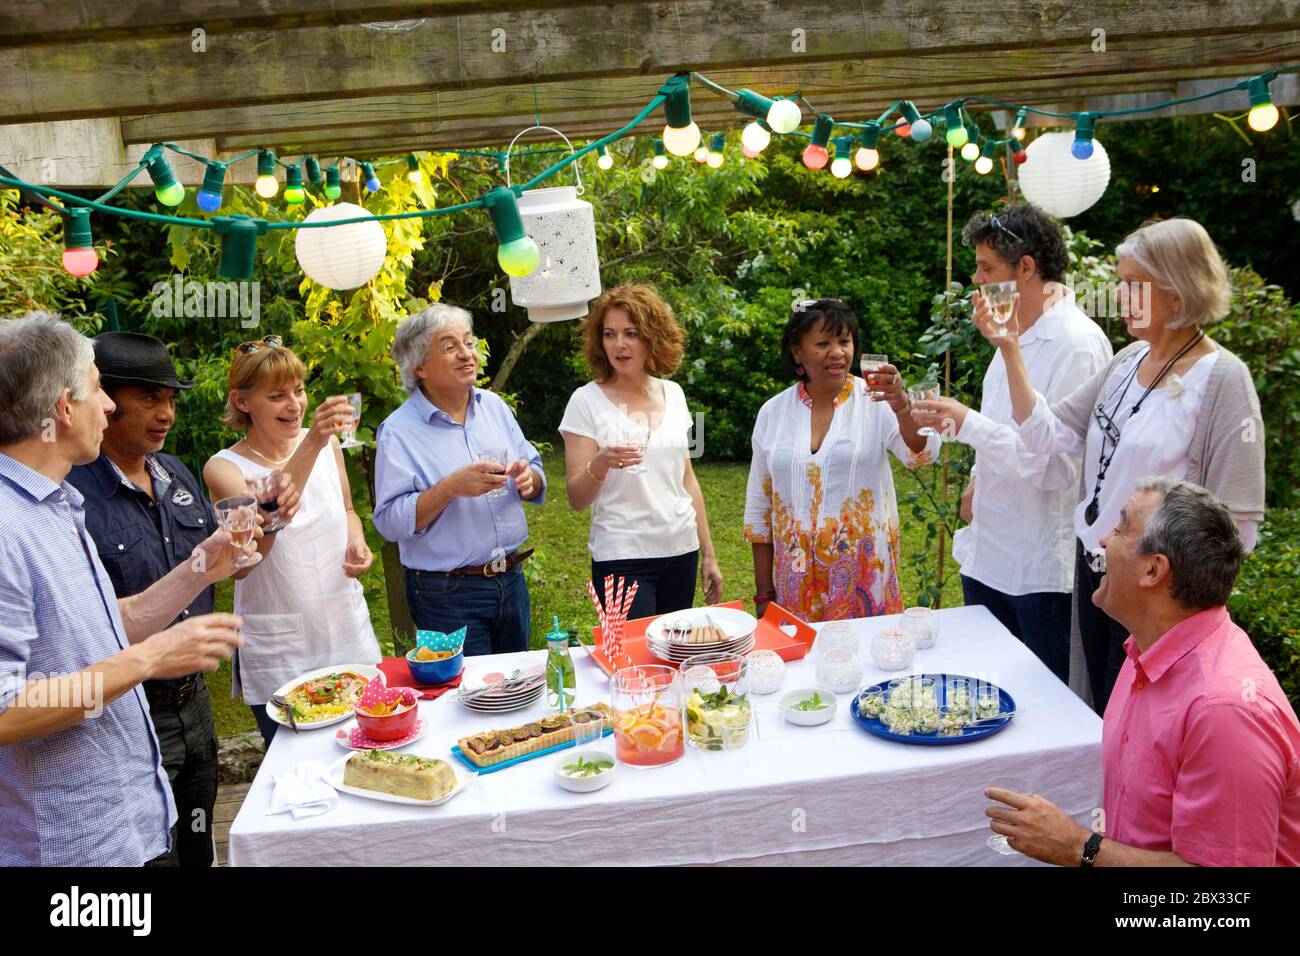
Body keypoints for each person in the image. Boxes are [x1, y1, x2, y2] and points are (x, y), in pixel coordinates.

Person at [917, 217, 1264, 713]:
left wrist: (1163, 578)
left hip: (1160, 594)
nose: (1118, 299)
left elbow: (1239, 525)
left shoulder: (1224, 379)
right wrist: (1010, 347)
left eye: (1130, 286)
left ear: (1176, 291)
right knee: (1098, 713)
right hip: (1100, 577)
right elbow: (1045, 434)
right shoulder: (1127, 362)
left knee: (1144, 718)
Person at [0, 313, 250, 866]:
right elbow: (5, 711)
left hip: (132, 821)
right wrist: (147, 660)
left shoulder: (54, 503)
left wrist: (201, 568)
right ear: (64, 407)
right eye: (98, 390)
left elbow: (106, 625)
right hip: (72, 850)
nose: (109, 406)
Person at [66, 332, 295, 867]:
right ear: (105, 399)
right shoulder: (72, 495)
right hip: (124, 708)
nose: (165, 412)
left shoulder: (176, 476)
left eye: (170, 398)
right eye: (148, 398)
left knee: (197, 840)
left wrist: (257, 525)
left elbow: (222, 558)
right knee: (148, 854)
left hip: (193, 703)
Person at [986, 478, 1299, 867]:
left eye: (1120, 528)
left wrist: (1078, 848)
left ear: (1153, 570)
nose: (1102, 540)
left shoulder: (1223, 712)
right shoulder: (1146, 650)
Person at [910, 204, 1112, 682]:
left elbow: (1059, 468)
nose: (977, 280)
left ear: (1026, 268)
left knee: (1045, 710)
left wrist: (968, 423)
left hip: (1039, 570)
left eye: (986, 268)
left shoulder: (1078, 345)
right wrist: (975, 481)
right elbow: (1003, 425)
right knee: (986, 693)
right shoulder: (1009, 335)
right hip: (988, 555)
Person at [204, 335, 379, 747]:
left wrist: (356, 542)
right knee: (294, 771)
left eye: (298, 390)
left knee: (366, 752)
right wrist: (313, 442)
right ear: (242, 401)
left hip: (345, 628)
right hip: (281, 649)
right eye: (278, 395)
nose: (295, 405)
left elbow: (348, 509)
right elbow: (258, 539)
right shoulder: (225, 468)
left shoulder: (328, 444)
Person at [744, 298, 939, 622]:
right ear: (797, 353)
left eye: (844, 341)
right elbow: (759, 511)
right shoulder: (772, 413)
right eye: (823, 343)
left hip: (864, 584)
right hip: (794, 588)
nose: (837, 352)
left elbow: (921, 454)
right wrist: (764, 594)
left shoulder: (876, 402)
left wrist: (902, 405)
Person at [373, 304, 546, 656]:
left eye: (468, 342)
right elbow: (389, 522)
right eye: (450, 346)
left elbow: (533, 466)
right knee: (465, 700)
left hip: (511, 580)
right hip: (446, 594)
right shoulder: (398, 432)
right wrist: (450, 488)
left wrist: (532, 479)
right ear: (419, 366)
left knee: (516, 693)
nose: (467, 354)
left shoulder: (494, 407)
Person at [559, 284, 722, 619]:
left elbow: (687, 481)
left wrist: (709, 553)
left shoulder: (673, 393)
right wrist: (602, 462)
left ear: (652, 337)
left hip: (681, 550)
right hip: (622, 556)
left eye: (631, 333)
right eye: (609, 334)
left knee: (672, 655)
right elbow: (576, 497)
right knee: (635, 665)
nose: (619, 344)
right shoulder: (585, 402)